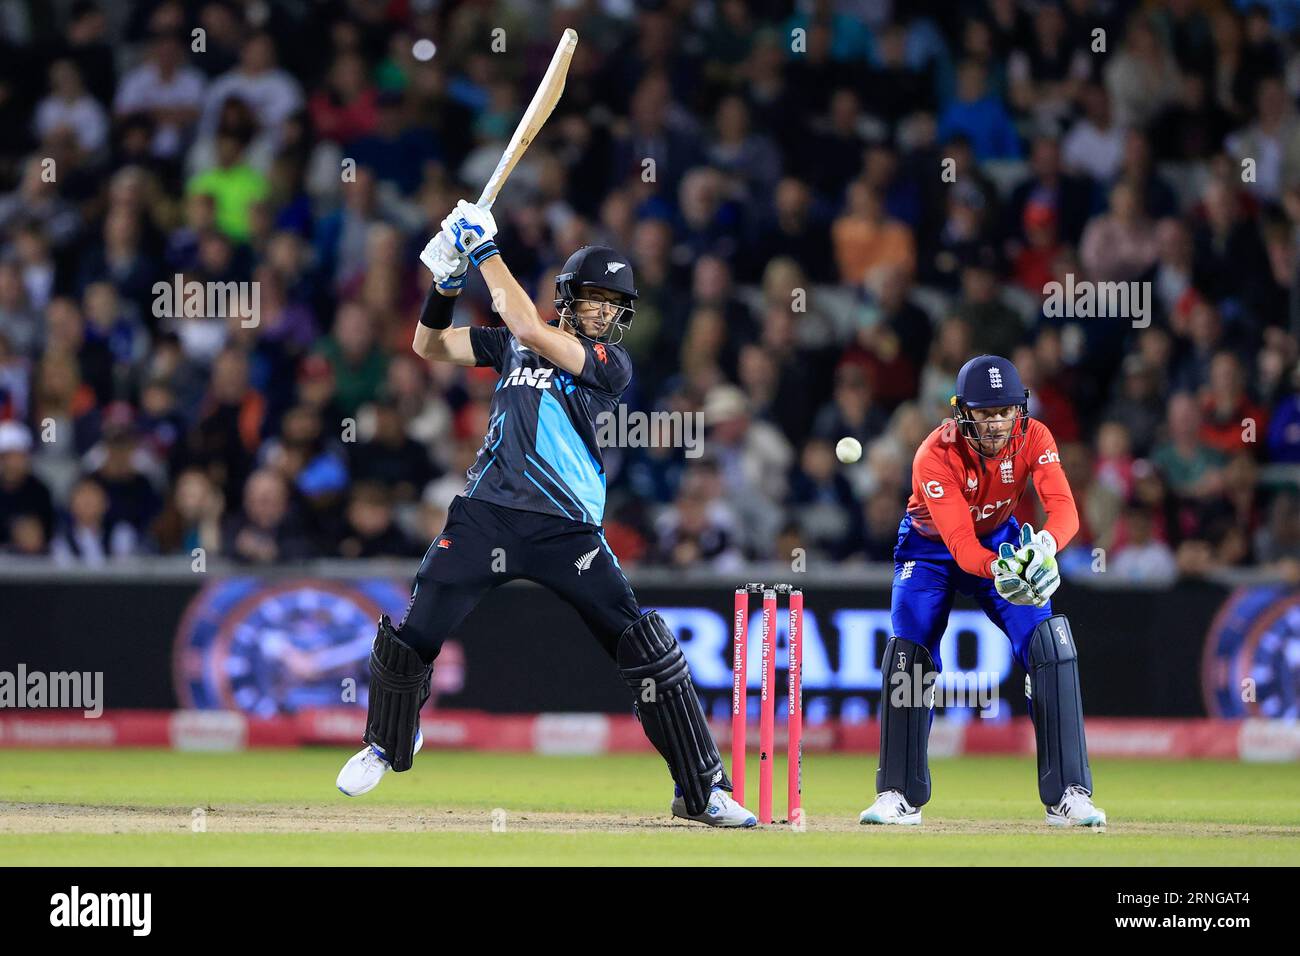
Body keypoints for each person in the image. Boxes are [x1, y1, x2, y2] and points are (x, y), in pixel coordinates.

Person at [336, 200, 754, 827]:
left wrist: (482, 253)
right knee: (418, 627)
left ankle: (703, 789)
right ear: (568, 296)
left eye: (613, 304)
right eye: (593, 298)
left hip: (567, 528)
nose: (604, 311)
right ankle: (387, 742)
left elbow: (531, 327)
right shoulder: (509, 344)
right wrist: (446, 282)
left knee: (643, 645)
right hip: (487, 512)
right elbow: (428, 345)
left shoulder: (611, 365)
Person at [861, 354, 1106, 828]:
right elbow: (959, 544)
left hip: (1000, 539)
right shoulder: (935, 454)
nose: (995, 424)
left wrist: (1043, 550)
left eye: (1004, 412)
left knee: (1049, 646)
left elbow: (1065, 512)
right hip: (931, 552)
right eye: (984, 413)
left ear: (1020, 409)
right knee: (909, 651)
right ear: (962, 412)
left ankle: (1069, 795)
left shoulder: (1035, 436)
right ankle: (898, 794)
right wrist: (1005, 568)